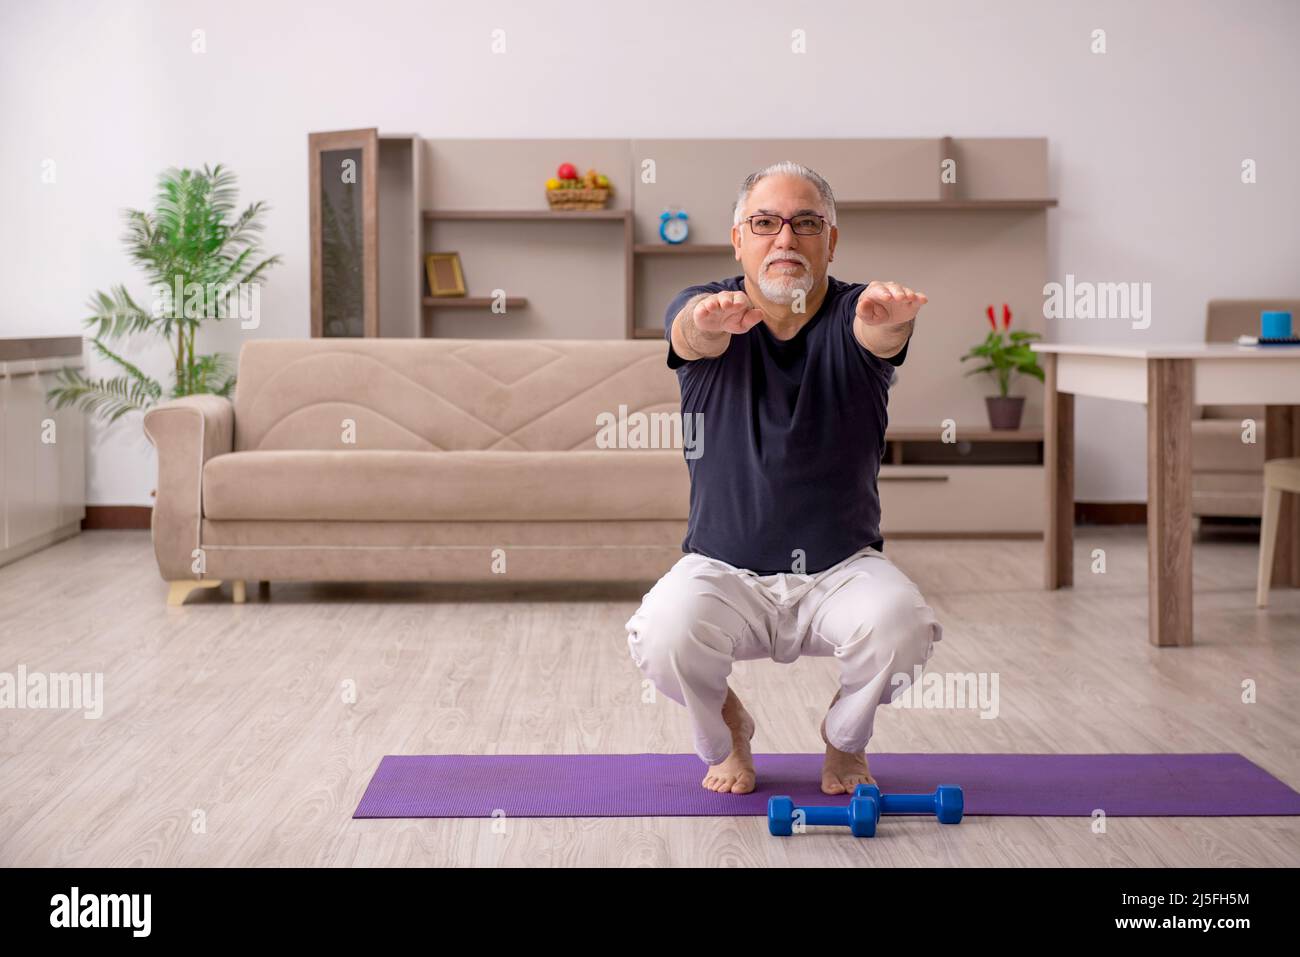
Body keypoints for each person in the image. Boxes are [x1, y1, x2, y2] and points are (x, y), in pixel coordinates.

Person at [624, 161, 944, 795]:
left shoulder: (857, 308)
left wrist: (890, 319)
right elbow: (691, 335)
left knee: (903, 625)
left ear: (831, 239)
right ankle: (727, 728)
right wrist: (704, 324)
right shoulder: (705, 305)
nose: (785, 238)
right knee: (662, 636)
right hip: (724, 569)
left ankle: (845, 742)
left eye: (805, 223)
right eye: (765, 222)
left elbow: (879, 334)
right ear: (738, 238)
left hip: (840, 568)